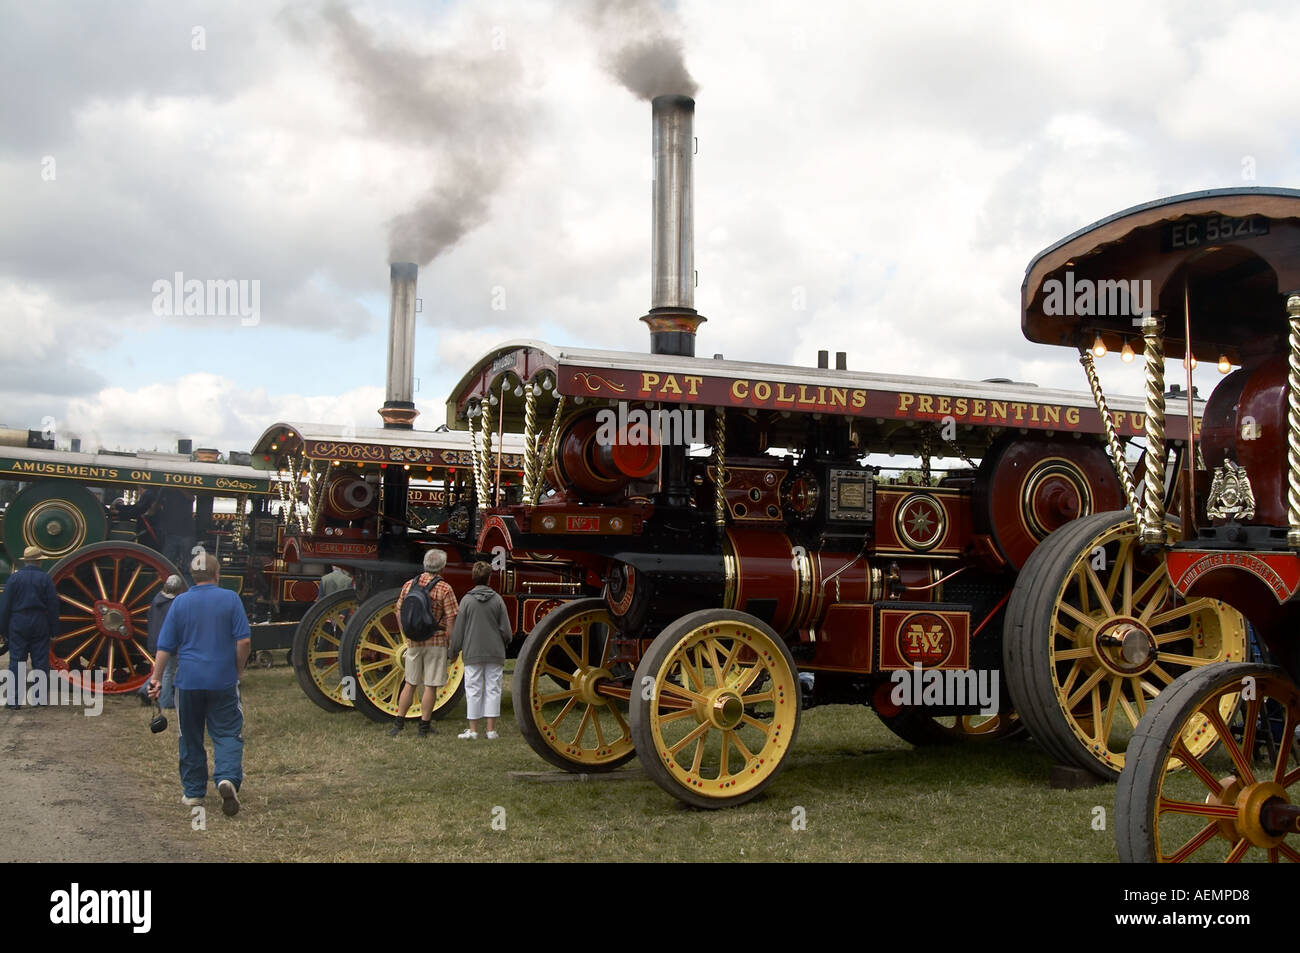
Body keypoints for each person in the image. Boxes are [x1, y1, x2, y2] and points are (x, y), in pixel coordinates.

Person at [150, 550, 251, 815]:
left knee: (190, 736)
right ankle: (227, 777)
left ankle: (194, 793)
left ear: (191, 577)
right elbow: (244, 641)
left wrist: (156, 679)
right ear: (218, 575)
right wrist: (237, 669)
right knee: (228, 732)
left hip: (188, 680)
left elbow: (165, 647)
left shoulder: (180, 603)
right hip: (222, 679)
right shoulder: (230, 599)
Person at [389, 549, 457, 738]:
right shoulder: (445, 588)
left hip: (414, 641)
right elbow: (452, 619)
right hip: (436, 640)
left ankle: (398, 724)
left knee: (410, 683)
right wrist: (451, 644)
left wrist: (406, 633)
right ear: (442, 566)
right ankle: (424, 727)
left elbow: (398, 611)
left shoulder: (409, 584)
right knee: (430, 685)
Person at [448, 561, 512, 740]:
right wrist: (505, 642)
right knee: (493, 688)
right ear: (489, 578)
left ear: (473, 577)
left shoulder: (467, 601)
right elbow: (506, 630)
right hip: (495, 651)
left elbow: (458, 630)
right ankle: (491, 730)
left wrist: (453, 652)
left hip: (472, 651)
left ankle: (473, 730)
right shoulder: (498, 600)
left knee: (473, 688)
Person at [0, 546, 59, 710]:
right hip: (40, 620)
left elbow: (4, 607)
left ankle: (14, 701)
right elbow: (53, 606)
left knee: (16, 662)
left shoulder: (14, 579)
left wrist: (2, 630)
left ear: (25, 561)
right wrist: (54, 630)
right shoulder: (45, 579)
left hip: (18, 620)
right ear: (39, 562)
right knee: (40, 661)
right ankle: (39, 698)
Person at [137, 574, 185, 708]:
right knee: (169, 671)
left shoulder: (156, 599)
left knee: (161, 669)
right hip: (169, 642)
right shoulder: (174, 604)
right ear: (179, 589)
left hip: (155, 638)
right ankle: (165, 701)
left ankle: (144, 690)